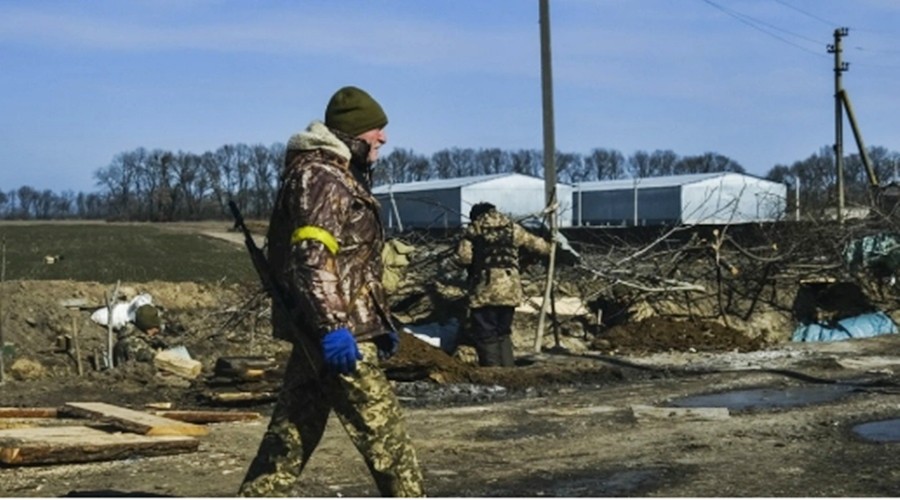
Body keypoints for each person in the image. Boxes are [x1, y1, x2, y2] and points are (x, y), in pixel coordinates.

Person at [238, 86, 424, 497]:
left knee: (290, 437)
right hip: (342, 338)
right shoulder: (322, 177)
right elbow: (313, 258)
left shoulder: (333, 174)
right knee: (389, 445)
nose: (383, 139)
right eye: (377, 130)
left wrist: (380, 320)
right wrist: (336, 327)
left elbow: (352, 263)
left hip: (333, 329)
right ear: (354, 133)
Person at [457, 202, 553, 367]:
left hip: (484, 291)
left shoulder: (474, 230)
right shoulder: (513, 229)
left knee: (486, 333)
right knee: (503, 331)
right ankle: (509, 369)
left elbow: (463, 258)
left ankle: (493, 372)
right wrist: (552, 242)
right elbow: (541, 247)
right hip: (510, 291)